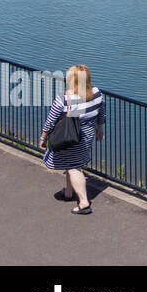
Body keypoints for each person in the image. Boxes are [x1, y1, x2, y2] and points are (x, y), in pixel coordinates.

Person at [38, 65, 106, 215]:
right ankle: (69, 193)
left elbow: (50, 122)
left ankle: (84, 203)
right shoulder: (97, 93)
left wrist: (43, 137)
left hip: (71, 138)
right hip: (87, 135)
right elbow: (101, 114)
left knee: (74, 168)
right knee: (73, 163)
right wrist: (100, 130)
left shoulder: (66, 98)